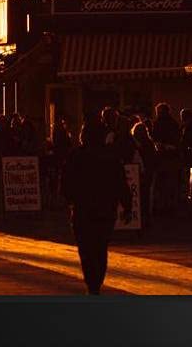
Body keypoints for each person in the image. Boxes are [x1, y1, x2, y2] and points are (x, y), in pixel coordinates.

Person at [61, 115, 134, 294]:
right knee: (101, 248)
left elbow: (66, 181)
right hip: (105, 208)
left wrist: (68, 199)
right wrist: (127, 205)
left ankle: (91, 282)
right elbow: (121, 183)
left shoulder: (76, 155)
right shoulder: (111, 157)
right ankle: (96, 282)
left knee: (85, 248)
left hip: (83, 209)